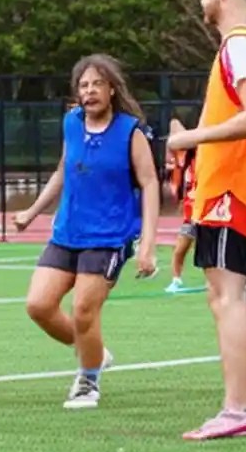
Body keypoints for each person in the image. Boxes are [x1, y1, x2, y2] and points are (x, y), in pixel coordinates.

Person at [167, 0, 246, 441]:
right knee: (224, 296)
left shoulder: (239, 45)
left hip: (234, 190)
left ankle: (238, 409)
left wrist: (188, 138)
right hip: (229, 189)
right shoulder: (242, 46)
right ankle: (242, 406)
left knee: (229, 297)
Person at [14, 54, 159, 410]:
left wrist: (148, 246)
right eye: (83, 85)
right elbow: (63, 170)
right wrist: (33, 212)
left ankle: (88, 380)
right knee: (38, 305)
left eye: (97, 83)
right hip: (67, 232)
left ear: (111, 88)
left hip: (109, 237)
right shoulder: (71, 123)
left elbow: (150, 182)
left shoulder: (130, 131)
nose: (90, 91)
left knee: (83, 311)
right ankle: (94, 352)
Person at [163, 119, 197, 294]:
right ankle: (176, 280)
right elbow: (174, 123)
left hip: (210, 213)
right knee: (180, 250)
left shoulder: (206, 155)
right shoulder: (186, 158)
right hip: (191, 214)